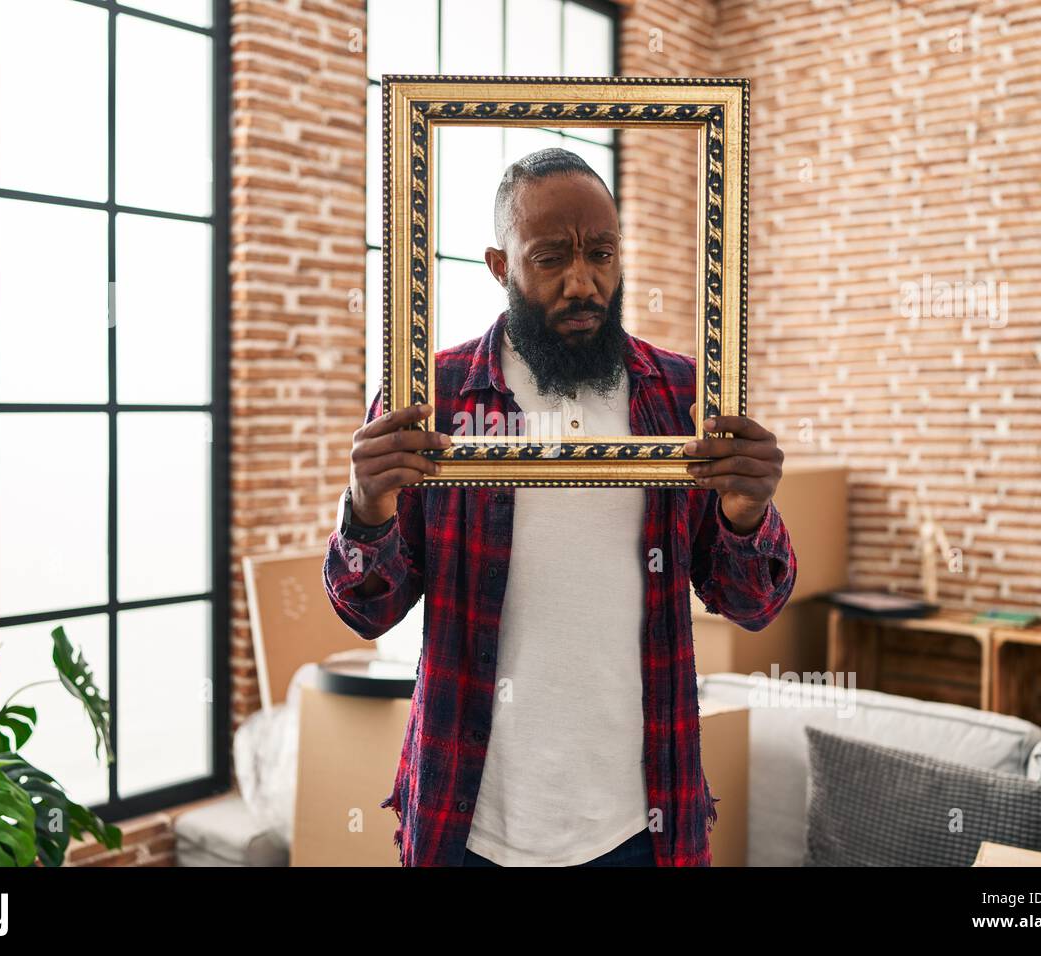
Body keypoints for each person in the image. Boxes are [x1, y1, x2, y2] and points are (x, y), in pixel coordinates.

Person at [323, 148, 797, 867]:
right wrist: (366, 507)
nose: (585, 282)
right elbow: (366, 610)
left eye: (602, 253)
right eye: (550, 259)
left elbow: (753, 604)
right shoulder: (432, 400)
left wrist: (746, 516)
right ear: (497, 265)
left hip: (643, 825)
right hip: (469, 822)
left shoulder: (681, 396)